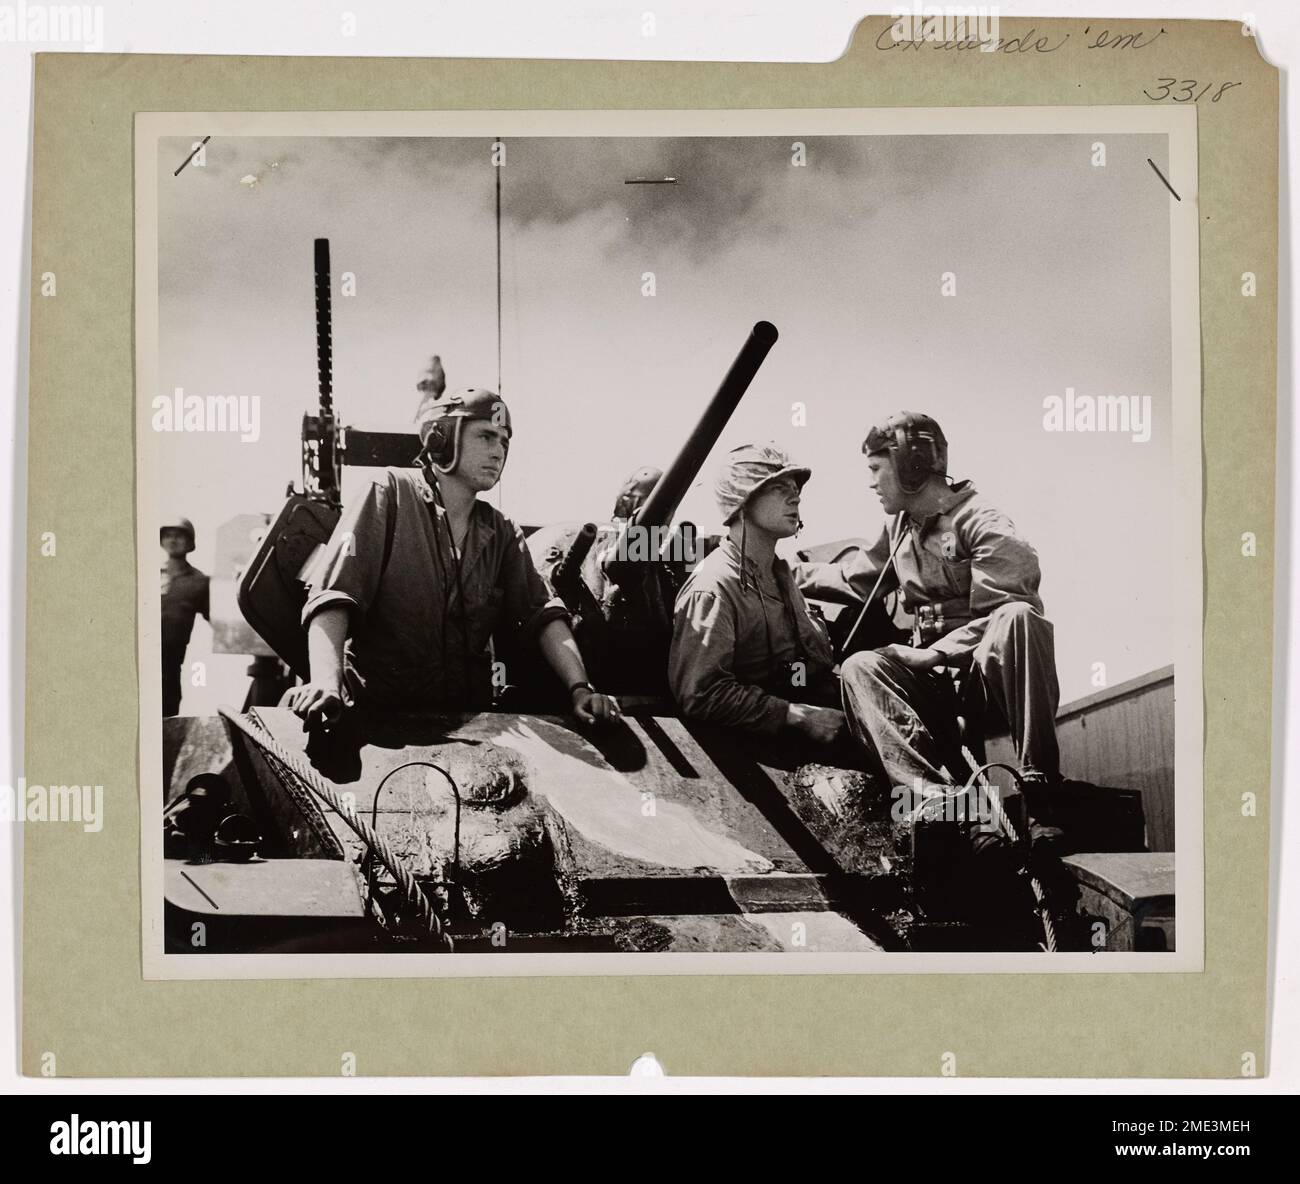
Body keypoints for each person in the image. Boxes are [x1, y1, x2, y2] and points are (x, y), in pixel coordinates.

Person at [794, 411, 1063, 845]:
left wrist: (935, 653)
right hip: (933, 687)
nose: (871, 482)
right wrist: (783, 572)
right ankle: (941, 802)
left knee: (1018, 620)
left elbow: (1008, 610)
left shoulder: (983, 522)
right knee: (861, 666)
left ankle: (1042, 789)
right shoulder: (901, 526)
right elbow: (857, 578)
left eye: (876, 469)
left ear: (909, 466)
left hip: (984, 684)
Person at [285, 382, 619, 730]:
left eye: (504, 442)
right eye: (486, 437)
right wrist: (326, 681)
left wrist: (580, 689)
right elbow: (335, 595)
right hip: (376, 720)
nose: (498, 452)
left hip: (465, 727)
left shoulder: (501, 532)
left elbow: (543, 614)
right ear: (441, 439)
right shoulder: (389, 495)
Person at [668, 444, 845, 742]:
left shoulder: (778, 576)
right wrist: (795, 716)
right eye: (778, 487)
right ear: (742, 501)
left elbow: (792, 668)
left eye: (795, 487)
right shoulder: (714, 586)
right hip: (762, 741)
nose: (795, 496)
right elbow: (700, 693)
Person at [160, 515, 210, 717]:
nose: (173, 540)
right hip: (138, 656)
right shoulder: (146, 574)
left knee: (166, 715)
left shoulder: (199, 581)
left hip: (170, 662)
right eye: (168, 535)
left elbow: (217, 620)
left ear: (190, 543)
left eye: (179, 536)